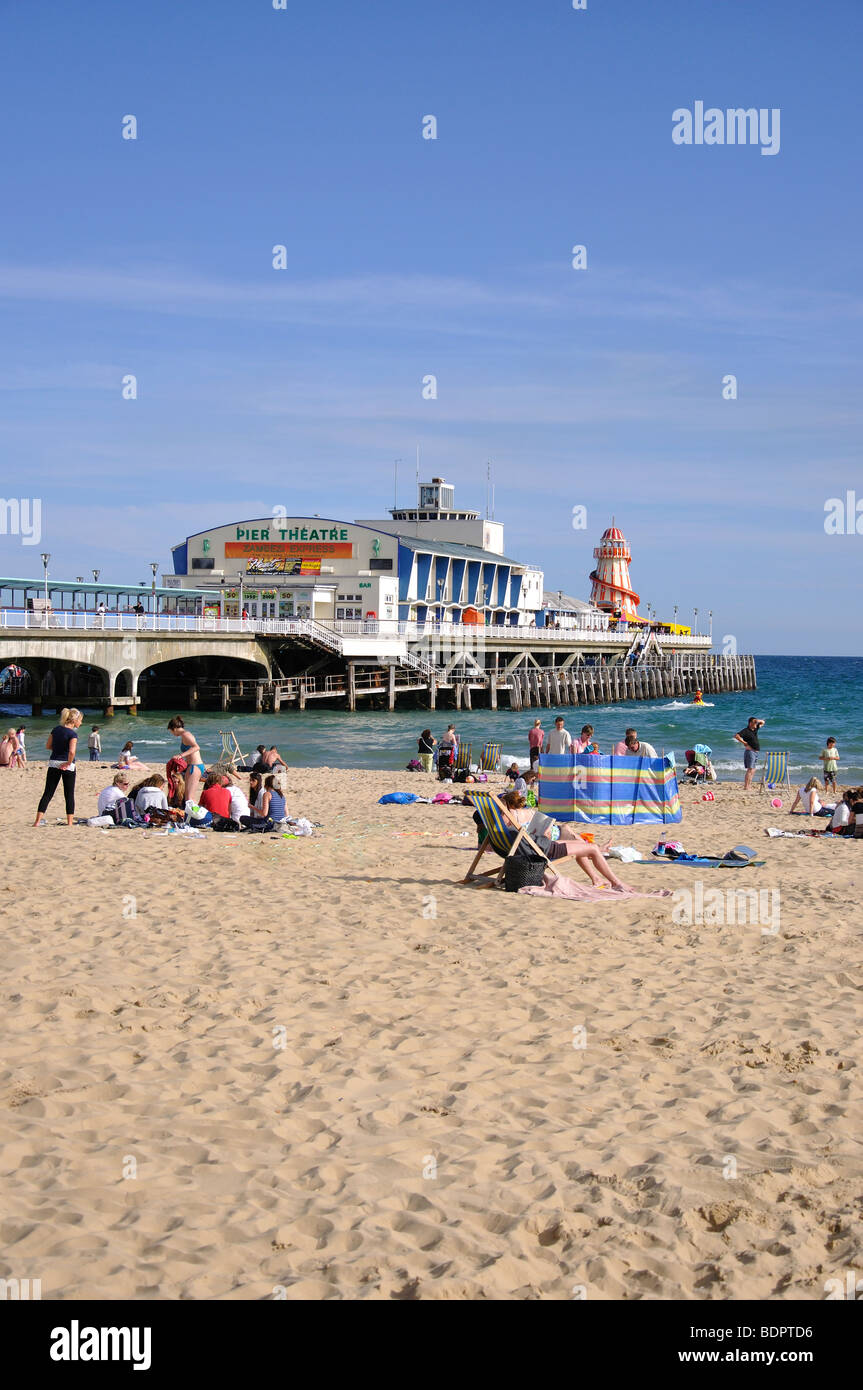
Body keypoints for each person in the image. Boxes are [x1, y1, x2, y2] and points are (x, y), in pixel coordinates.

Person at [496, 790, 629, 890]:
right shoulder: (511, 824)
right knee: (592, 848)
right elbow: (529, 840)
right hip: (542, 848)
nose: (502, 814)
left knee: (582, 845)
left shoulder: (501, 829)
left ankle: (596, 879)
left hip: (540, 845)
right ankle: (617, 883)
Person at [33, 707, 83, 826]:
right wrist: (68, 762)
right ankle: (70, 822)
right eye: (80, 720)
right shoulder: (72, 734)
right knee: (69, 794)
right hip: (67, 765)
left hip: (53, 762)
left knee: (48, 793)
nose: (81, 723)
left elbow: (48, 746)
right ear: (74, 720)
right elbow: (72, 752)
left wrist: (59, 750)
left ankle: (37, 821)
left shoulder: (56, 730)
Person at [167, 716, 206, 802]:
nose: (173, 734)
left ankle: (195, 815)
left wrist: (181, 755)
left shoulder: (186, 735)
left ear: (174, 728)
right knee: (188, 797)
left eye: (171, 731)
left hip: (194, 767)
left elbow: (196, 747)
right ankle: (190, 815)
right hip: (193, 766)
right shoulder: (185, 735)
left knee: (189, 798)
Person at [733, 716, 765, 791]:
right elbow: (736, 736)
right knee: (750, 769)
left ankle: (749, 785)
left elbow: (763, 722)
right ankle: (746, 786)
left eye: (756, 722)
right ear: (750, 723)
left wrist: (757, 720)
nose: (756, 724)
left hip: (755, 752)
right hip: (750, 752)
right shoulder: (746, 730)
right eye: (754, 722)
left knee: (753, 770)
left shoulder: (755, 729)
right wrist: (744, 743)